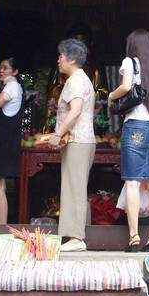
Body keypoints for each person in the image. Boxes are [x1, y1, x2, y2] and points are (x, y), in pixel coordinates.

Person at [35, 38, 96, 251]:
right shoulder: (78, 79)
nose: (58, 60)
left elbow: (76, 110)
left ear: (71, 58)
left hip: (77, 140)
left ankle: (76, 238)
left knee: (74, 188)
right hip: (80, 140)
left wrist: (57, 133)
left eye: (61, 56)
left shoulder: (77, 81)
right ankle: (78, 234)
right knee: (76, 186)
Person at [109, 29, 149, 251]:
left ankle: (133, 237)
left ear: (132, 45)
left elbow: (125, 87)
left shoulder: (129, 61)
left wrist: (111, 96)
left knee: (132, 181)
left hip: (135, 127)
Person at [0, 57, 23, 224]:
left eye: (5, 68)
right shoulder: (12, 87)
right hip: (2, 142)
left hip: (2, 143)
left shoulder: (13, 86)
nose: (1, 71)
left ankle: (1, 227)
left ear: (15, 72)